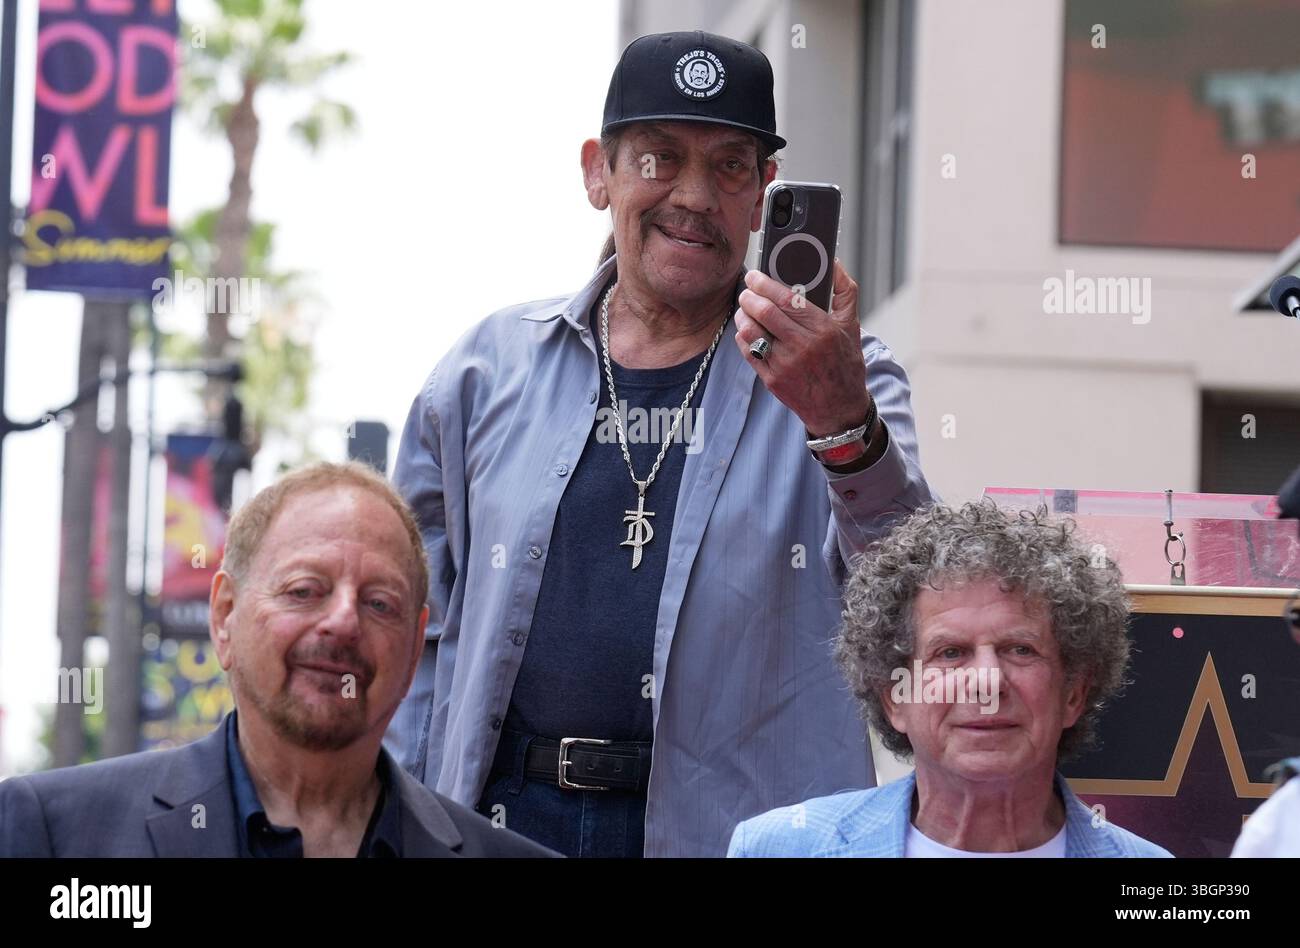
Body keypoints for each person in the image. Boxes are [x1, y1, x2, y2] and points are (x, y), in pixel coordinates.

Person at [386, 30, 934, 858]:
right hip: (499, 827)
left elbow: (920, 609)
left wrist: (840, 420)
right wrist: (394, 826)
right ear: (597, 173)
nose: (694, 194)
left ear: (763, 195)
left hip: (744, 837)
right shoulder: (481, 374)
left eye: (730, 166)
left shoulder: (847, 376)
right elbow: (410, 637)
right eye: (659, 157)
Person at [0, 462, 555, 858]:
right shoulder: (56, 832)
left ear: (413, 653)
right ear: (224, 616)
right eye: (304, 590)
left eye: (379, 603)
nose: (343, 621)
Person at [729, 501, 1171, 857]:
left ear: (1073, 693)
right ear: (895, 697)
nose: (986, 682)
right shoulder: (781, 848)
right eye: (951, 653)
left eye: (1020, 649)